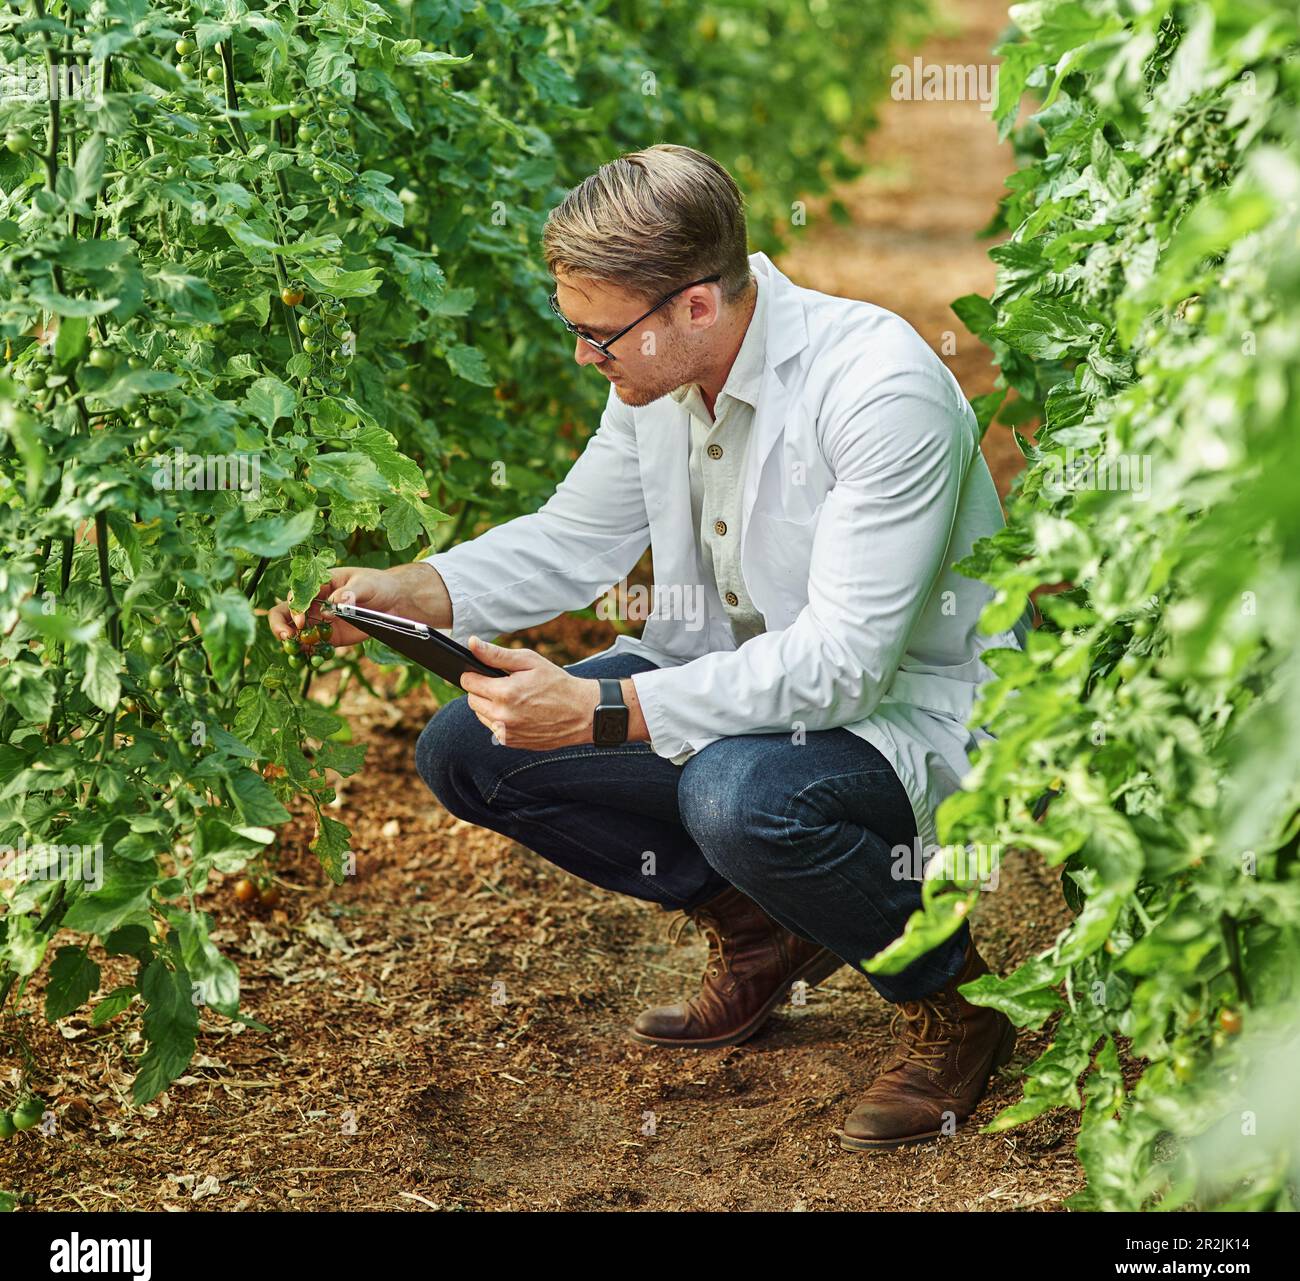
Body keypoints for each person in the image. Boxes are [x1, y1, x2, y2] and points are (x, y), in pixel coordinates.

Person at [268, 143, 1031, 1151]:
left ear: (697, 307)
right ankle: (763, 929)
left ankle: (952, 1003)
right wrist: (412, 590)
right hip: (724, 684)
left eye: (599, 336)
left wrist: (601, 710)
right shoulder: (657, 377)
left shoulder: (875, 388)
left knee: (738, 796)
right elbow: (574, 536)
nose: (585, 357)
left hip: (898, 709)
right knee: (466, 750)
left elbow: (846, 662)